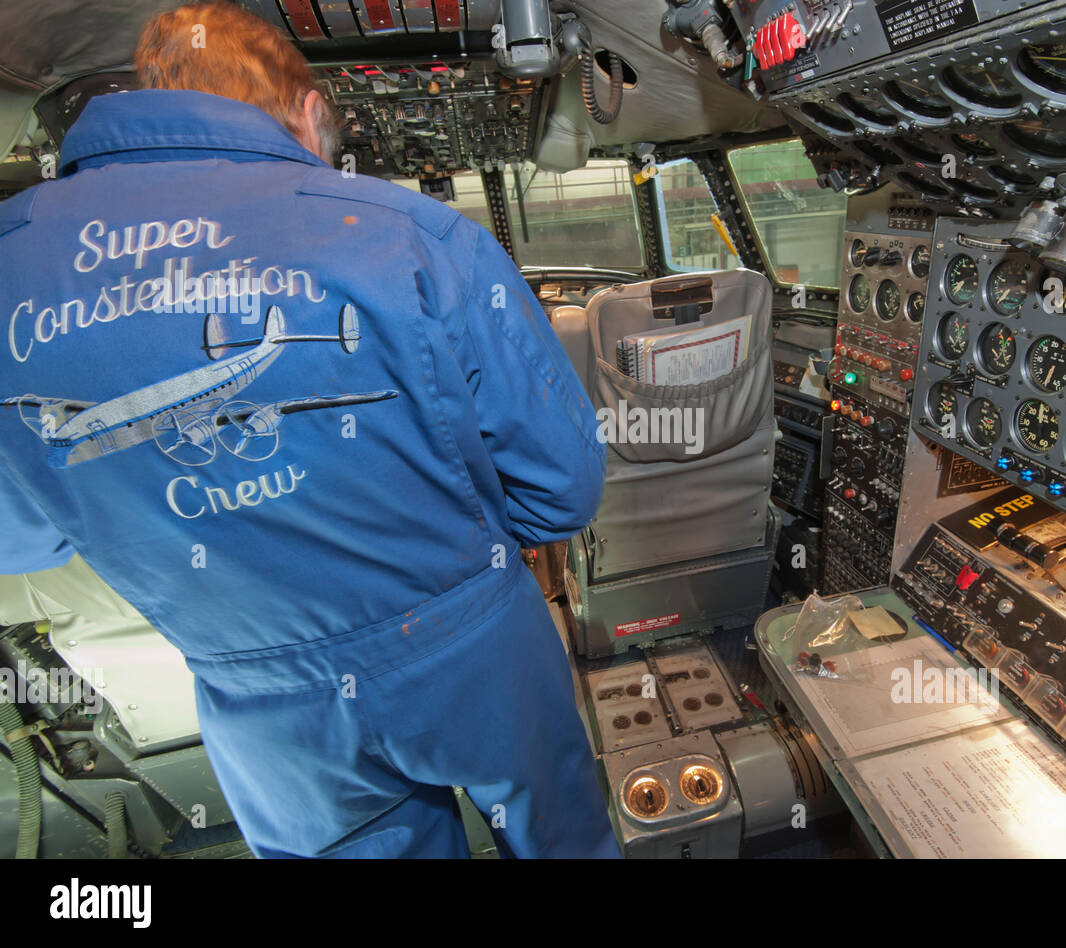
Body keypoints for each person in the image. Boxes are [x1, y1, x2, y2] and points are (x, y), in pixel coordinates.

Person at [0, 0, 618, 858]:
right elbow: (563, 490)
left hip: (260, 697)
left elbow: (19, 538)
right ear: (306, 110)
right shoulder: (414, 234)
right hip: (471, 646)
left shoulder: (10, 265)